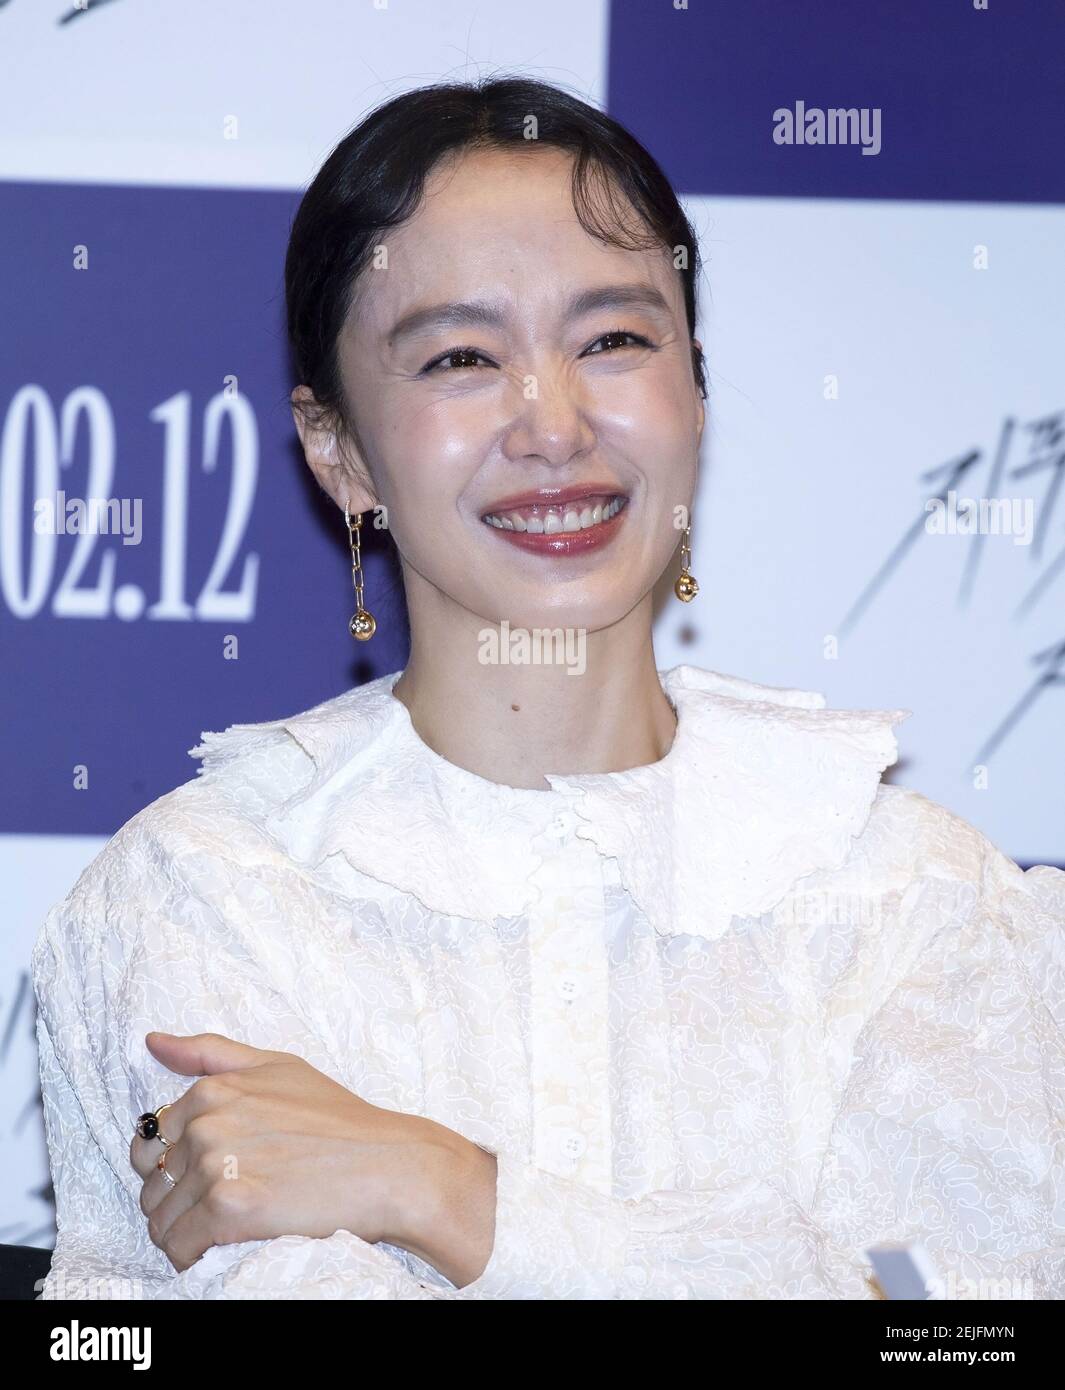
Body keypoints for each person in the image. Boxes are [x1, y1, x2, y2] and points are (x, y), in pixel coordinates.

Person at [32, 76, 1064, 1301]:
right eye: (463, 357)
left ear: (696, 391)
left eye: (614, 340)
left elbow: (947, 1320)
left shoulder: (915, 901)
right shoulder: (203, 901)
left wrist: (442, 1188)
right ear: (338, 448)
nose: (555, 424)